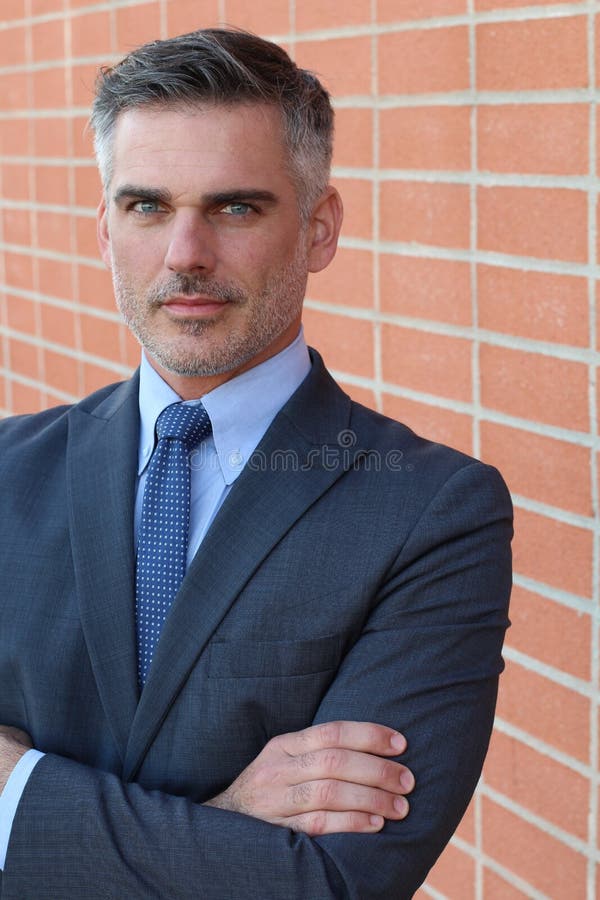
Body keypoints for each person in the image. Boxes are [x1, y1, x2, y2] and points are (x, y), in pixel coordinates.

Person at [0, 28, 512, 899]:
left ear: (319, 228)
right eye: (147, 206)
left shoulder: (434, 513)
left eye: (235, 207)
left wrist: (14, 793)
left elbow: (333, 886)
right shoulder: (8, 470)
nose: (185, 253)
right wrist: (229, 819)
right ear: (103, 228)